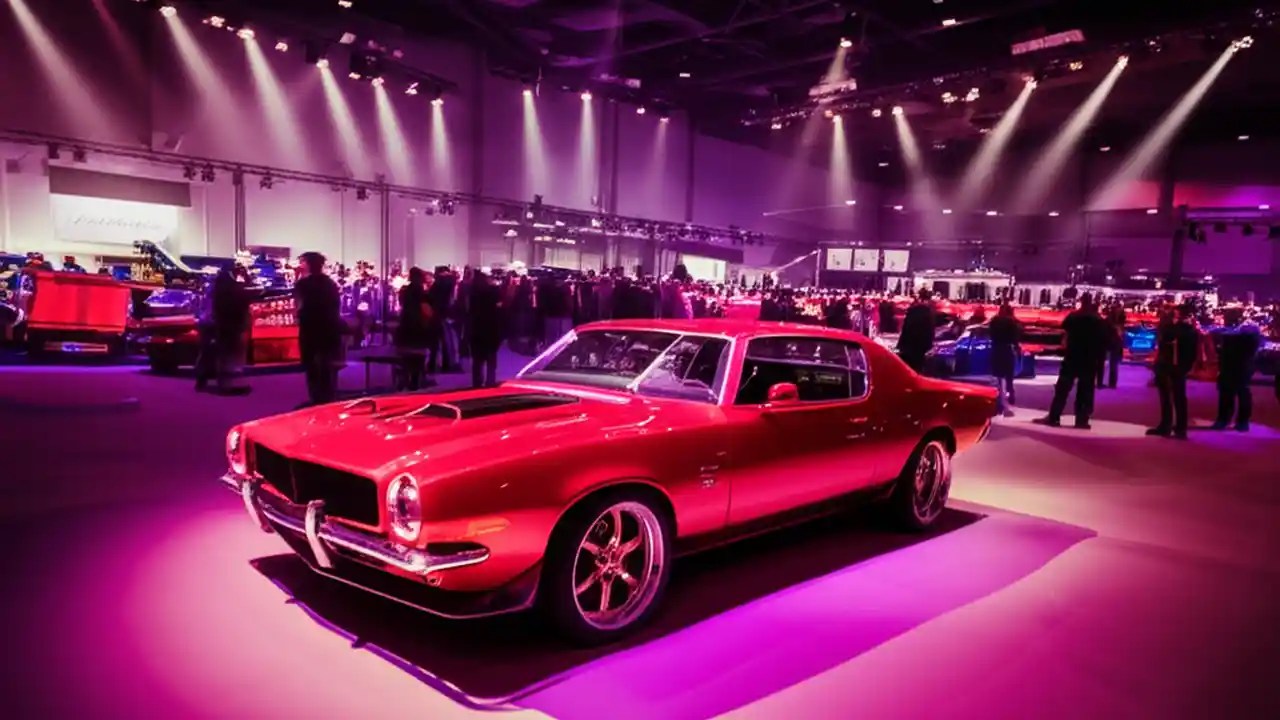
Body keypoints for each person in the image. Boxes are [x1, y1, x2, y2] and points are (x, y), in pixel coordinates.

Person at [1036, 293, 1106, 429]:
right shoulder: (1097, 320)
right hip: (1089, 358)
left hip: (1073, 355)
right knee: (1085, 390)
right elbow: (1102, 340)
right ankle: (1082, 420)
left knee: (1062, 389)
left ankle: (1054, 417)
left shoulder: (1073, 317)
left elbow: (1065, 335)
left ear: (1081, 301)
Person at [294, 252, 343, 406]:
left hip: (310, 328)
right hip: (329, 328)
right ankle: (328, 398)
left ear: (308, 264)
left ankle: (316, 399)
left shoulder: (302, 284)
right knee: (326, 365)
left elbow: (299, 306)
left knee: (312, 366)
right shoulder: (330, 284)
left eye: (302, 262)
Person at [1147, 303, 1199, 439]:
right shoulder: (1189, 330)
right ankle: (1173, 427)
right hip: (1173, 365)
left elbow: (1165, 338)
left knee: (1173, 397)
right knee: (1174, 397)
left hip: (1172, 365)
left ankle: (1172, 427)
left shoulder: (1178, 329)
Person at [1211, 309, 1260, 432]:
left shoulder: (1247, 331)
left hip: (1241, 366)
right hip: (1231, 366)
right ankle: (1225, 419)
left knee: (1241, 393)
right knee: (1227, 393)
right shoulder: (1230, 332)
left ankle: (1240, 421)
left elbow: (1251, 349)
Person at [211, 266, 251, 395]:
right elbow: (245, 298)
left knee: (224, 355)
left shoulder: (218, 287)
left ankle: (224, 384)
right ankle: (230, 385)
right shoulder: (233, 288)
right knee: (232, 354)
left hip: (223, 323)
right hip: (233, 324)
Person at [394, 267, 431, 391]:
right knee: (418, 356)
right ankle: (415, 381)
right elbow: (425, 307)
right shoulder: (420, 291)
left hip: (406, 323)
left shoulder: (405, 290)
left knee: (407, 356)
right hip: (418, 325)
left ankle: (405, 378)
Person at [468, 269, 505, 388]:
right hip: (491, 328)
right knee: (491, 359)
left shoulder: (473, 293)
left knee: (477, 360)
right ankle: (490, 382)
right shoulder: (493, 292)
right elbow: (499, 311)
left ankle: (477, 383)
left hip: (476, 329)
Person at [989, 302, 1021, 417]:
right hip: (1008, 349)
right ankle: (1010, 393)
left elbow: (991, 334)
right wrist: (1018, 350)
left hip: (996, 348)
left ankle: (998, 402)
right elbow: (1016, 338)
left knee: (997, 376)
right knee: (1009, 375)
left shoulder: (994, 321)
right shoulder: (1012, 322)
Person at [897, 289, 935, 373]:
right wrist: (929, 346)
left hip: (908, 346)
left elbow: (905, 329)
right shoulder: (929, 313)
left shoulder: (912, 311)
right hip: (921, 347)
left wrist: (900, 346)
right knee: (918, 369)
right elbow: (930, 331)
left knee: (907, 370)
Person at [1098, 303, 1126, 389]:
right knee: (1113, 363)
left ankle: (1100, 382)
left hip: (1105, 342)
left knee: (1101, 363)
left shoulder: (1107, 320)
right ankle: (1112, 383)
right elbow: (1121, 334)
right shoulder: (1121, 323)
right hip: (1115, 343)